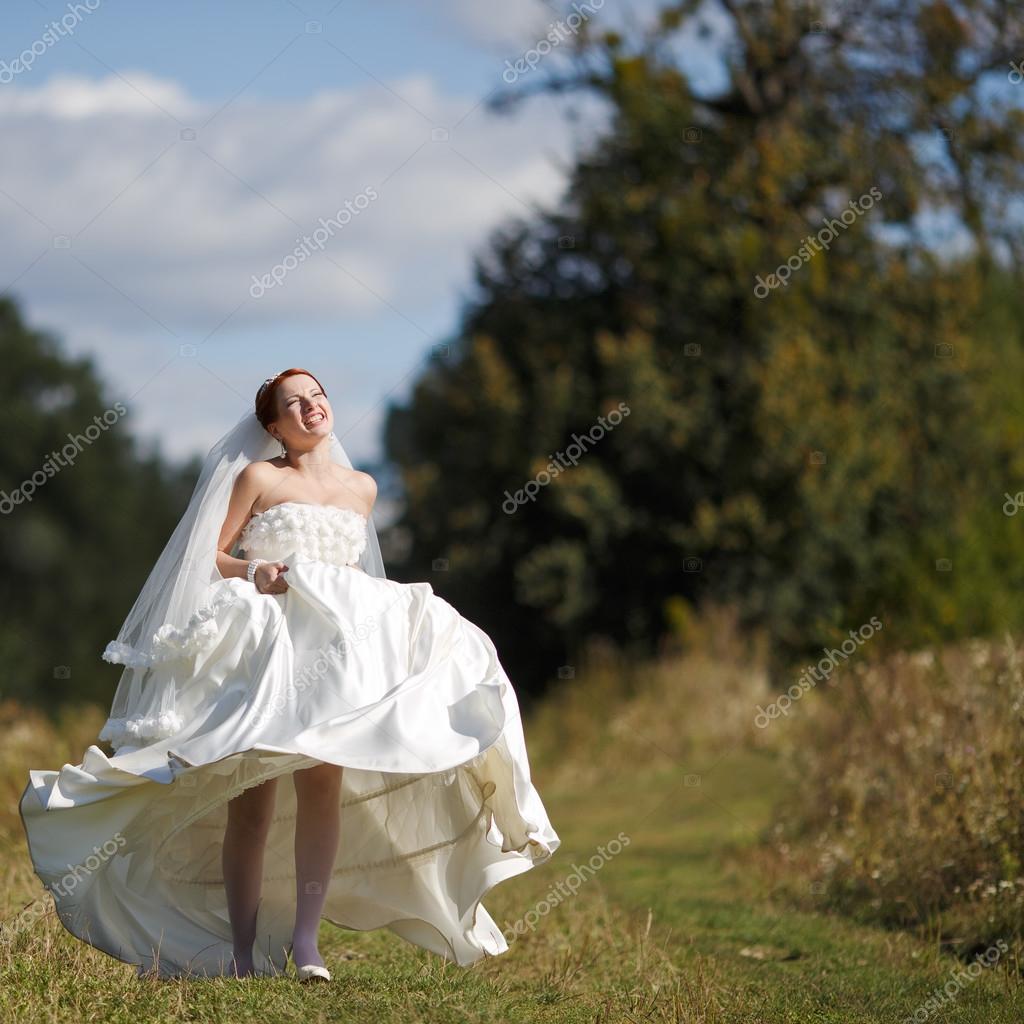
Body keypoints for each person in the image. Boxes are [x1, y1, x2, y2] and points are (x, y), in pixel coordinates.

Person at [20, 368, 560, 982]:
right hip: (273, 645)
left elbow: (357, 574)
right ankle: (245, 950)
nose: (310, 409)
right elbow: (209, 556)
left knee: (323, 785)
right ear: (273, 426)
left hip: (334, 650)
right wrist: (258, 574)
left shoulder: (362, 487)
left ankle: (307, 943)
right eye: (293, 404)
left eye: (318, 396)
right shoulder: (261, 477)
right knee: (253, 797)